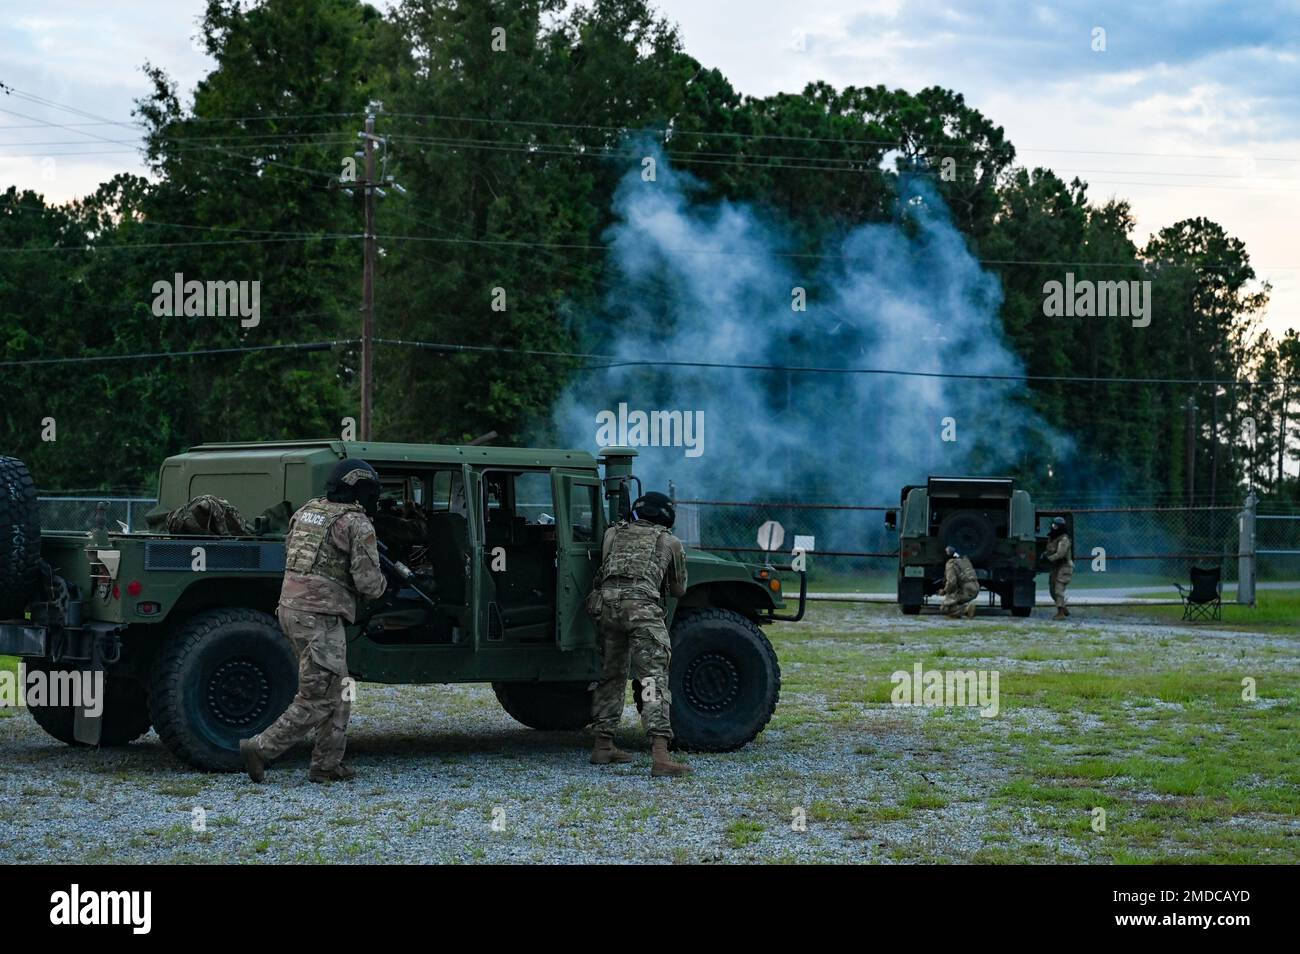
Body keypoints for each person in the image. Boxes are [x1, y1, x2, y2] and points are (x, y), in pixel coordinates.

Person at [240, 459, 389, 783]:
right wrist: (386, 583)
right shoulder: (356, 523)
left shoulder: (308, 511)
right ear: (359, 490)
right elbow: (368, 585)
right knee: (318, 696)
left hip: (293, 609)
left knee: (339, 686)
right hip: (318, 617)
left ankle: (326, 764)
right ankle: (260, 748)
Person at [588, 491, 691, 777]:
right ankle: (660, 755)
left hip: (607, 607)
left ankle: (603, 745)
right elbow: (679, 589)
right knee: (652, 678)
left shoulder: (612, 534)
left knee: (611, 675)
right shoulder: (669, 541)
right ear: (666, 516)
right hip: (642, 611)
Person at [1043, 516, 1074, 620]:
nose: (1054, 527)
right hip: (1055, 566)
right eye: (1053, 525)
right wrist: (1045, 555)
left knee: (1058, 589)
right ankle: (1063, 607)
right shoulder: (1052, 538)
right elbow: (1049, 550)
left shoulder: (1064, 539)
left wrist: (1049, 558)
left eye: (1057, 526)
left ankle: (1060, 613)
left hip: (1064, 566)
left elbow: (1060, 554)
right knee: (1052, 590)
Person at [940, 545, 980, 619]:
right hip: (975, 587)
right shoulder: (965, 560)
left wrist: (944, 591)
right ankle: (959, 612)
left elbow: (951, 582)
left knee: (944, 607)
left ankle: (966, 609)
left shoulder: (951, 563)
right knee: (954, 602)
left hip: (967, 590)